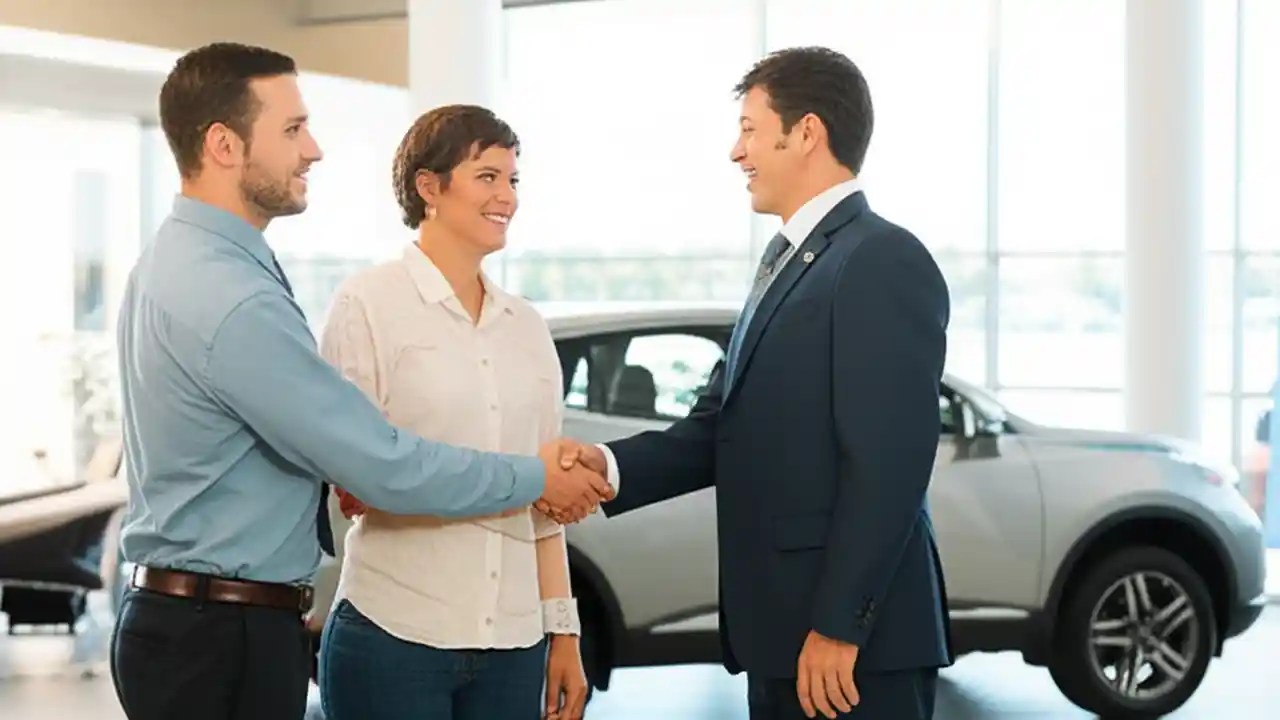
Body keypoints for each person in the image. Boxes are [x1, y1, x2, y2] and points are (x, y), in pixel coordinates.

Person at [110, 43, 609, 720]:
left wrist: (559, 621)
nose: (313, 149)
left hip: (209, 623)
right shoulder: (236, 295)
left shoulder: (185, 262)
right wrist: (533, 477)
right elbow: (376, 466)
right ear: (224, 145)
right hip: (231, 632)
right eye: (292, 129)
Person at [560, 47, 953, 719]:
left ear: (806, 133)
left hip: (849, 650)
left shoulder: (879, 259)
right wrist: (607, 466)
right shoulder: (788, 262)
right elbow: (723, 427)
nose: (736, 151)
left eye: (749, 128)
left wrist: (839, 626)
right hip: (781, 634)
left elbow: (890, 465)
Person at [316, 105, 594, 720]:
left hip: (515, 646)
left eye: (513, 179)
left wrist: (563, 630)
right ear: (429, 187)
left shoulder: (526, 326)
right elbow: (361, 485)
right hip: (395, 634)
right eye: (487, 176)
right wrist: (525, 479)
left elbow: (547, 506)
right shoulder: (367, 304)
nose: (507, 197)